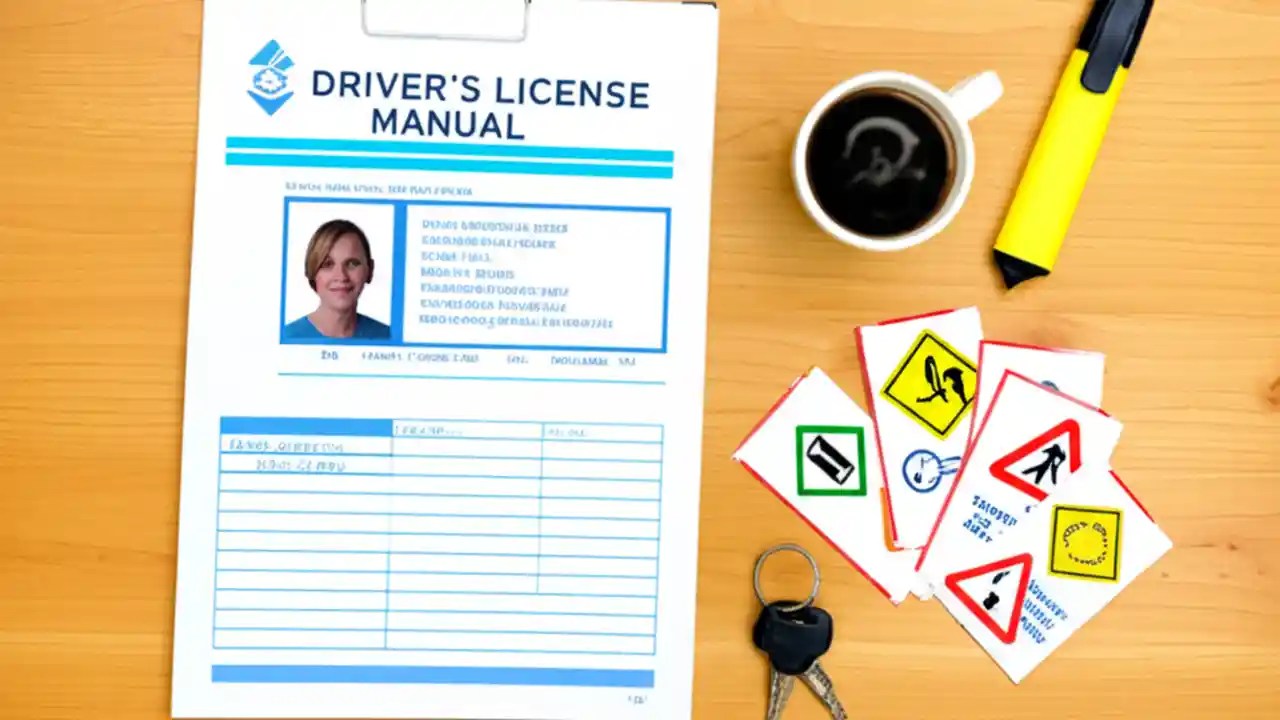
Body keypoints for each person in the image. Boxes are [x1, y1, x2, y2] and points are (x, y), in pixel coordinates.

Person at [284, 219, 391, 340]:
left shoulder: (388, 336)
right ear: (312, 271)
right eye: (327, 264)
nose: (341, 276)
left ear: (370, 270)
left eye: (352, 264)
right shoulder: (287, 338)